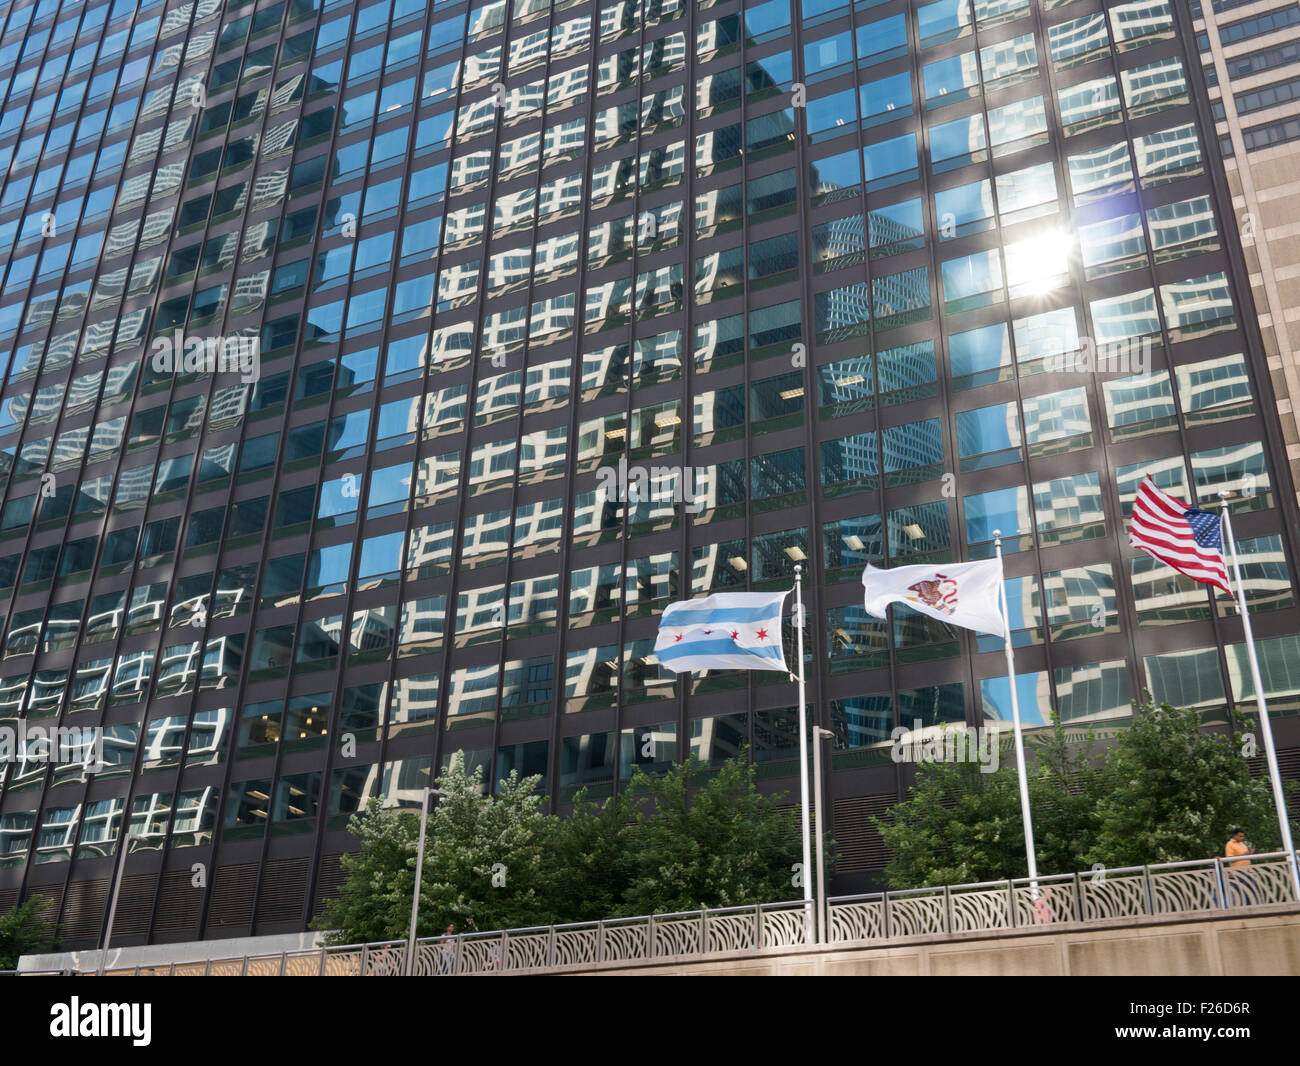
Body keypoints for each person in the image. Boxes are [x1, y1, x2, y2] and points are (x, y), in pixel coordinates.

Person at [1225, 828, 1257, 905]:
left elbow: (1245, 857)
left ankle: (1254, 907)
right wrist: (1243, 855)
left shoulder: (1243, 844)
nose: (1242, 838)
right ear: (1235, 836)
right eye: (1240, 836)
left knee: (1253, 891)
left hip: (1249, 871)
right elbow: (1229, 859)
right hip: (1239, 872)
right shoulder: (1230, 844)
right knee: (1243, 892)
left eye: (1243, 836)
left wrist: (1249, 854)